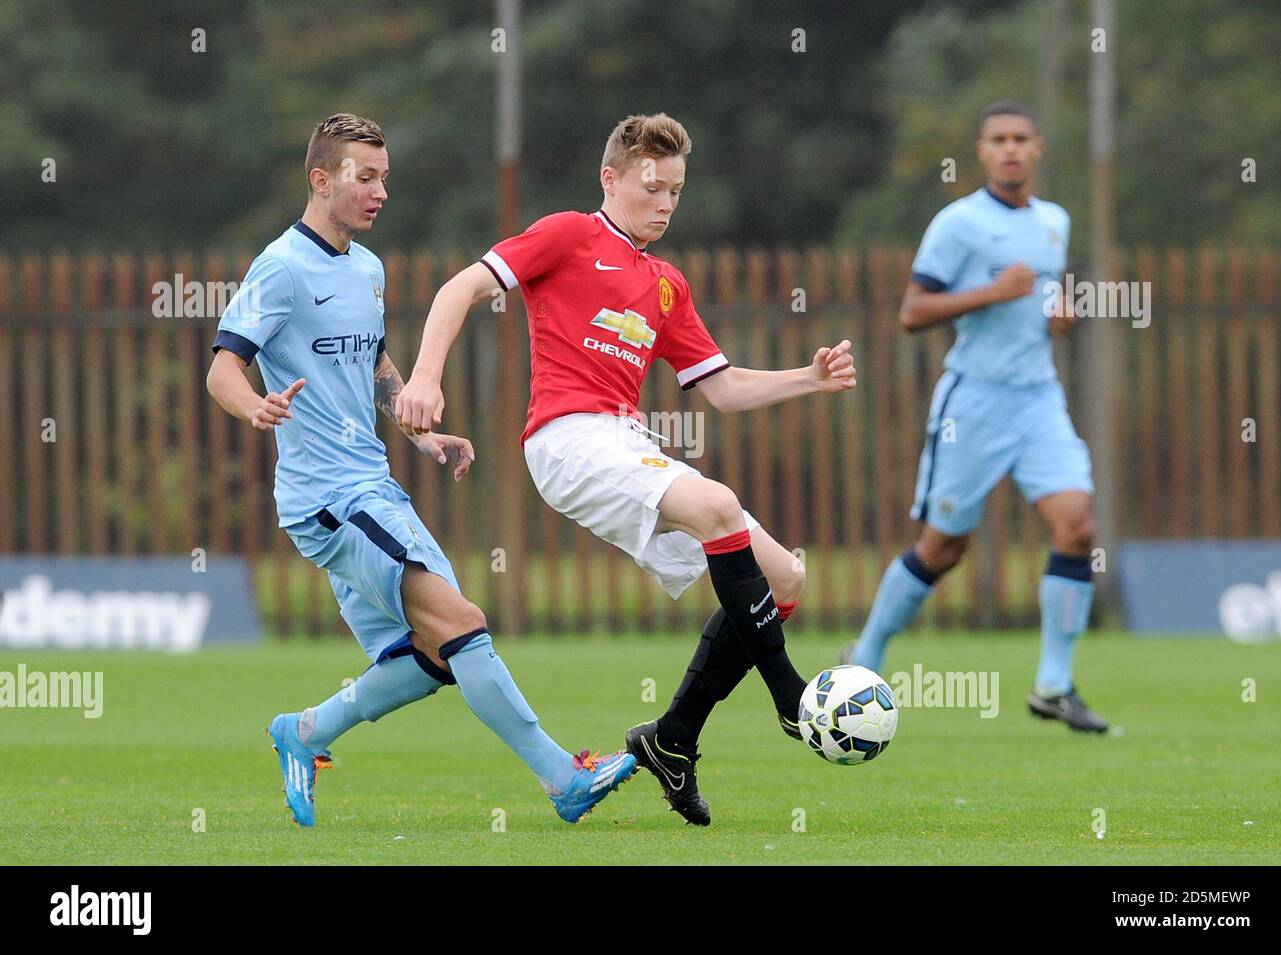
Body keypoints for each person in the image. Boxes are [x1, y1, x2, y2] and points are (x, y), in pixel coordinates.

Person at [394, 113, 857, 824]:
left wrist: (810, 377)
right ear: (610, 179)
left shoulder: (666, 283)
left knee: (786, 576)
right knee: (719, 505)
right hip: (566, 438)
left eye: (675, 190)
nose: (666, 203)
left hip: (626, 440)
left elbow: (723, 389)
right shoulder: (570, 235)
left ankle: (673, 739)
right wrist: (425, 376)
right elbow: (459, 289)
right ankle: (791, 695)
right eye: (652, 187)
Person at [205, 113, 636, 828]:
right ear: (322, 180)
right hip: (329, 497)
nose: (379, 192)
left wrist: (416, 423)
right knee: (464, 622)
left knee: (434, 655)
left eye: (384, 179)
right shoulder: (280, 267)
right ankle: (564, 777)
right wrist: (254, 407)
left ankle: (305, 732)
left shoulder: (368, 268)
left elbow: (371, 363)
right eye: (365, 178)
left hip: (369, 483)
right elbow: (223, 367)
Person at [844, 100, 1107, 733]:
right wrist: (993, 292)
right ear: (982, 151)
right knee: (944, 546)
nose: (1011, 149)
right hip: (975, 403)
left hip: (1039, 400)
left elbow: (1041, 301)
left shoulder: (1055, 222)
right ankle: (867, 657)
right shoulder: (958, 224)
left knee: (1076, 527)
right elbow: (912, 312)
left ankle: (1053, 684)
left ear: (1038, 147)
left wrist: (1057, 316)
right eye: (998, 140)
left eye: (1021, 138)